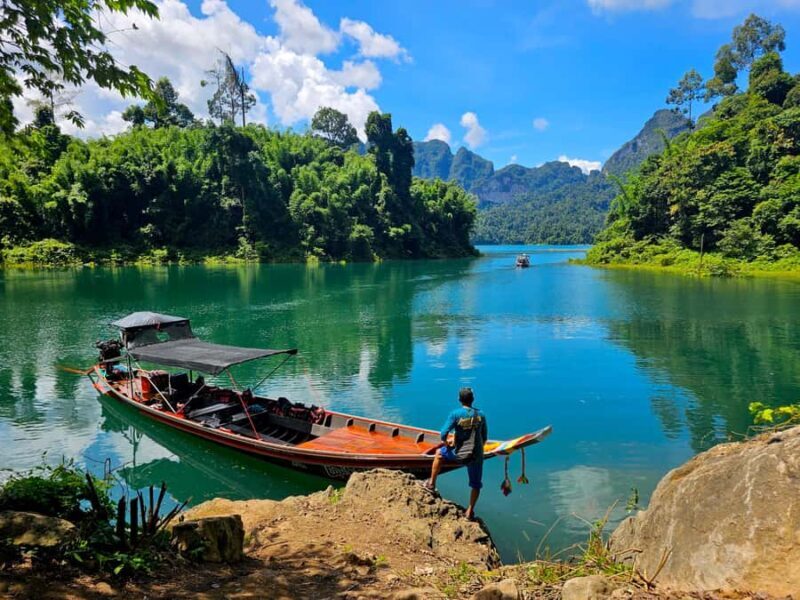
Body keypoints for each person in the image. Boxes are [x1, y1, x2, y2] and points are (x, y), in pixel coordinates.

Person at [422, 387, 488, 520]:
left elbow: (443, 434)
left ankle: (431, 484)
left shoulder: (455, 414)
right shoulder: (481, 415)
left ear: (459, 400)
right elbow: (484, 437)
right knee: (476, 484)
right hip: (476, 455)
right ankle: (470, 511)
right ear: (473, 400)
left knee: (439, 453)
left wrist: (448, 443)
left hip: (459, 454)